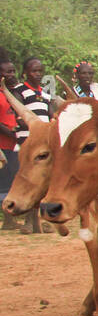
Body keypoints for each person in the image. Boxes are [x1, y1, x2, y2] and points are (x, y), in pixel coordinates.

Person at [11, 57, 51, 233]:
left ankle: (42, 220)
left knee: (42, 181)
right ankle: (29, 221)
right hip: (27, 142)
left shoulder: (45, 94)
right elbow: (17, 117)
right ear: (25, 72)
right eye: (34, 71)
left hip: (43, 144)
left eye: (40, 71)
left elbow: (51, 116)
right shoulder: (19, 91)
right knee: (28, 179)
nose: (38, 74)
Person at [0, 60, 19, 230]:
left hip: (15, 145)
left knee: (14, 179)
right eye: (7, 72)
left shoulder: (13, 94)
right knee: (5, 182)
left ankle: (11, 218)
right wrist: (13, 134)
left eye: (13, 71)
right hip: (3, 145)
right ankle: (7, 220)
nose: (11, 75)